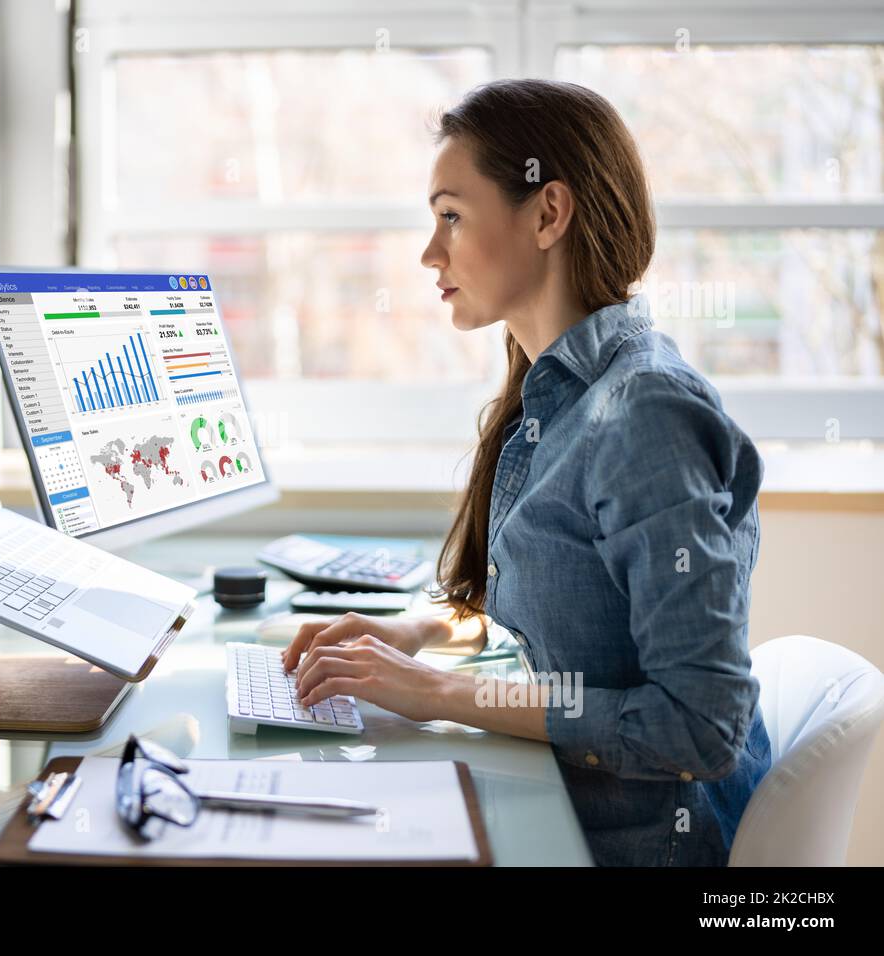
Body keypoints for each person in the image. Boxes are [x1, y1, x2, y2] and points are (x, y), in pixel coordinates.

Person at [283, 78, 771, 867]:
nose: (429, 252)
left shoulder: (645, 414)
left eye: (451, 216)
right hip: (543, 807)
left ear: (548, 214)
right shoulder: (554, 393)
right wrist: (418, 632)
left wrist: (438, 692)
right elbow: (559, 623)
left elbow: (700, 728)